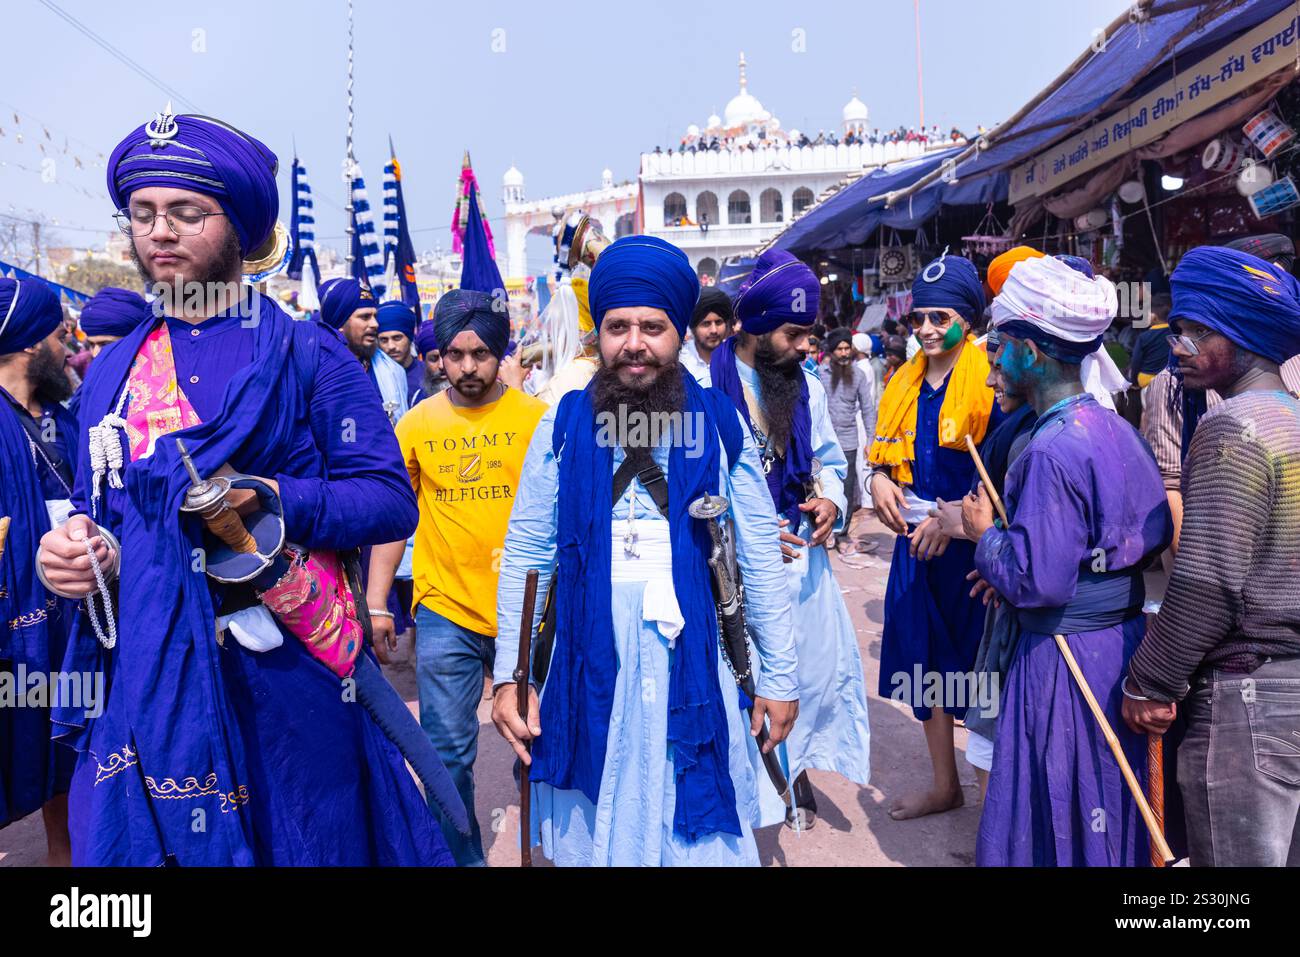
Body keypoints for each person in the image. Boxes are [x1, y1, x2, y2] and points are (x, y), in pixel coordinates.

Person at [35, 106, 451, 866]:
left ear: (240, 225)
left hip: (289, 673)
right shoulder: (112, 373)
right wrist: (72, 558)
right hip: (154, 673)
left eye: (187, 213)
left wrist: (274, 496)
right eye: (144, 214)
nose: (160, 231)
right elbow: (107, 521)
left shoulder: (305, 354)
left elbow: (389, 497)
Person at [491, 235, 799, 866]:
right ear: (598, 334)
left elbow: (761, 553)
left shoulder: (717, 421)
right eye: (617, 327)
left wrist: (780, 675)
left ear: (679, 331)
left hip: (694, 658)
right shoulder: (564, 421)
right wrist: (511, 676)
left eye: (652, 327)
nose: (634, 344)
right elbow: (529, 549)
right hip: (588, 657)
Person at [964, 254, 1172, 866]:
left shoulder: (1052, 447)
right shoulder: (1117, 427)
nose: (994, 361)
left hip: (1064, 661)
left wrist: (986, 536)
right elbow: (1146, 536)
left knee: (1062, 810)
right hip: (1122, 645)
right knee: (1107, 806)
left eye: (1001, 346)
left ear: (1031, 352)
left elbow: (1040, 580)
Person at [1125, 246, 1300, 867]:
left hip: (1249, 701)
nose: (1178, 346)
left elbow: (1206, 586)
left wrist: (1151, 679)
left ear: (1245, 336)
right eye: (1176, 329)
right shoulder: (1292, 418)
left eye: (1197, 330)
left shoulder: (1234, 427)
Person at [368, 288, 545, 866]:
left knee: (543, 740)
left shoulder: (540, 421)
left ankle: (561, 846)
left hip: (533, 612)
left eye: (480, 354)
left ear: (501, 352)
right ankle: (459, 858)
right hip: (445, 611)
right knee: (446, 752)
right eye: (454, 354)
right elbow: (396, 518)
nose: (467, 367)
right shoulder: (417, 426)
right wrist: (376, 602)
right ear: (438, 356)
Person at [711, 249, 871, 830]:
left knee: (806, 676)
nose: (808, 346)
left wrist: (830, 499)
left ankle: (792, 772)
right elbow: (692, 487)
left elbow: (829, 457)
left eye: (810, 333)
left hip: (802, 566)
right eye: (795, 333)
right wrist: (741, 530)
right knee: (743, 686)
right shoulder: (705, 386)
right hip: (731, 575)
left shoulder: (805, 385)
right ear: (752, 326)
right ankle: (751, 793)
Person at [868, 251, 998, 820]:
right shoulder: (904, 380)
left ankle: (994, 803)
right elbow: (884, 455)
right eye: (918, 318)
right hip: (915, 544)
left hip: (972, 547)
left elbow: (998, 465)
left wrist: (956, 525)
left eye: (940, 318)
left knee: (980, 670)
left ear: (968, 320)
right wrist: (875, 481)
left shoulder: (991, 375)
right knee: (926, 665)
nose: (925, 329)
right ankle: (946, 784)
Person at [0, 277, 76, 865]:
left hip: (73, 624)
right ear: (29, 344)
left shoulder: (65, 420)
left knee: (68, 760)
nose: (71, 345)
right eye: (59, 334)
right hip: (12, 629)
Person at [318, 277, 408, 424]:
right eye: (365, 317)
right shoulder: (318, 371)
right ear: (340, 323)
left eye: (375, 316)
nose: (375, 324)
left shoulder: (392, 370)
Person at [819, 328, 876, 552]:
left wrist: (870, 440)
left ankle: (842, 535)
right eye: (839, 349)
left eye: (846, 348)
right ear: (831, 352)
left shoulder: (858, 375)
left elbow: (868, 409)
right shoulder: (820, 374)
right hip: (824, 443)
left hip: (849, 440)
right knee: (821, 488)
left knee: (848, 489)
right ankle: (827, 531)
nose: (844, 353)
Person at [680, 286, 733, 386]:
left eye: (718, 322)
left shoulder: (735, 359)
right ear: (693, 328)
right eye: (706, 324)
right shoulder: (681, 362)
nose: (714, 330)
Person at [376, 299, 425, 405]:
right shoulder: (373, 377)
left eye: (397, 338)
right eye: (384, 340)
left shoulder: (428, 374)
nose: (391, 346)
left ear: (410, 337)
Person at [410, 320, 449, 404]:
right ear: (424, 361)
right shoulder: (418, 399)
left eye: (447, 356)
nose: (441, 366)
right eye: (434, 359)